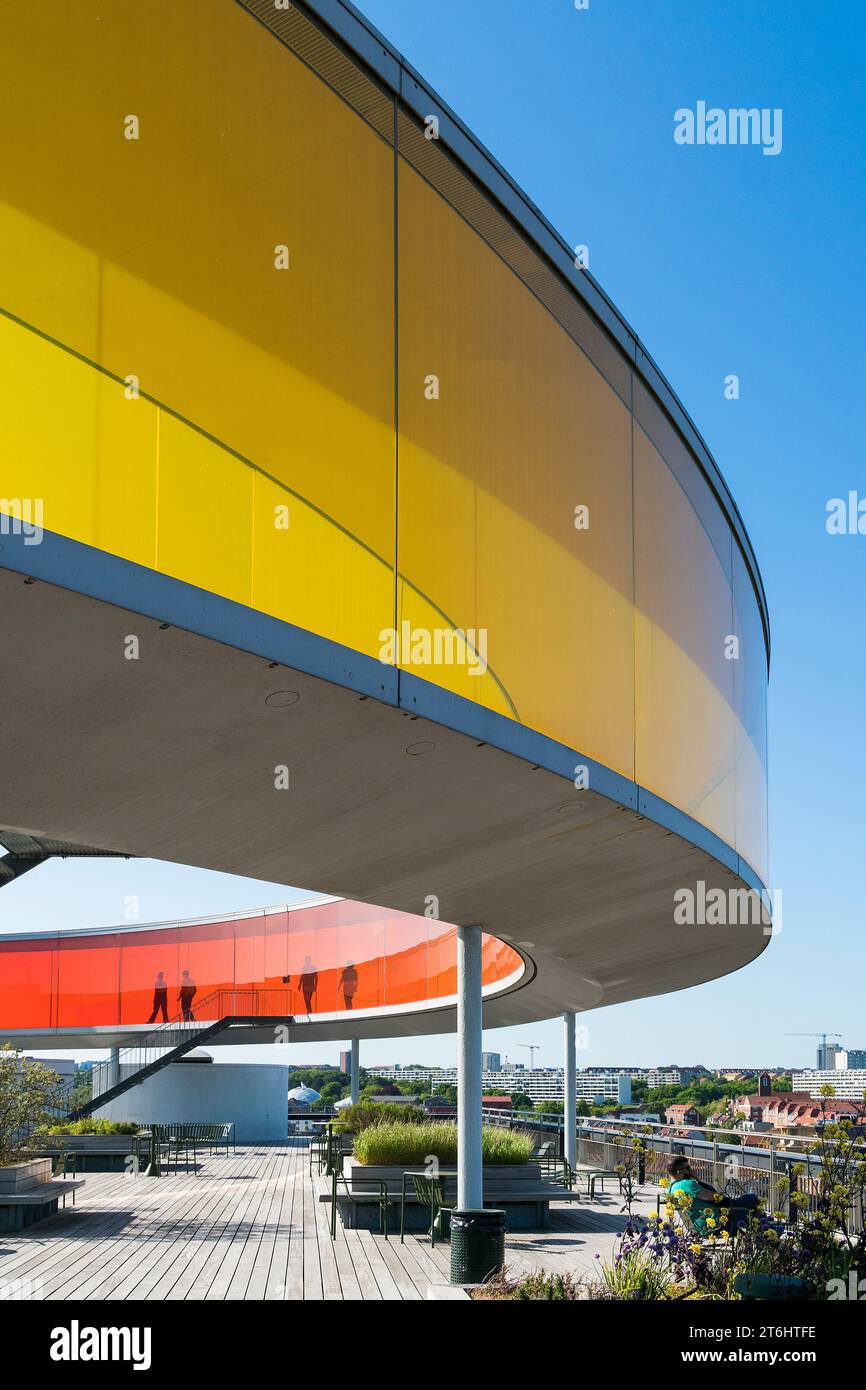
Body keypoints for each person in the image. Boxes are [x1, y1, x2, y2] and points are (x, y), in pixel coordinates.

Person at [667, 1154, 759, 1235]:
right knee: (751, 1199)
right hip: (717, 1225)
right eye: (688, 1168)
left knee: (750, 1206)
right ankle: (768, 1237)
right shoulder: (687, 1184)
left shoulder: (671, 1189)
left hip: (700, 1227)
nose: (690, 1170)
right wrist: (697, 1179)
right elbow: (716, 1197)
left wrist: (697, 1180)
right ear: (679, 1171)